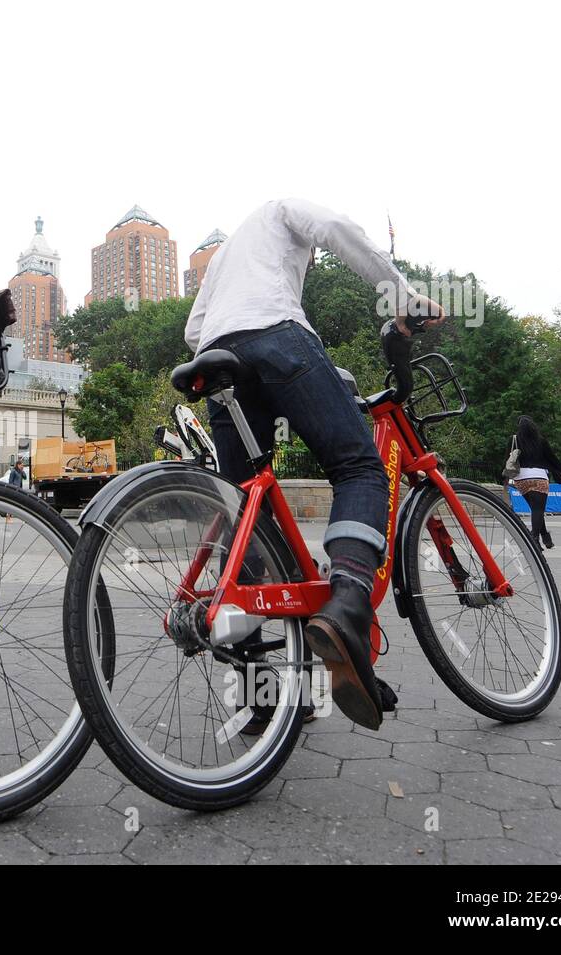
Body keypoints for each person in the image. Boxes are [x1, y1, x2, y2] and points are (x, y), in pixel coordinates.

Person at [184, 198, 444, 730]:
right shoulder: (281, 209)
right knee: (358, 468)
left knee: (247, 517)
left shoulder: (227, 256)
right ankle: (347, 601)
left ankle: (260, 698)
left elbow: (194, 330)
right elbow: (336, 227)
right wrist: (404, 294)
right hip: (279, 338)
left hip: (215, 356)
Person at [509, 415, 561, 550]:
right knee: (538, 510)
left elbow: (509, 458)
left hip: (521, 479)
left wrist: (505, 478)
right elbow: (552, 457)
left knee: (536, 510)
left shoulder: (514, 440)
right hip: (539, 477)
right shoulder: (541, 441)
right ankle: (534, 538)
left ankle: (546, 539)